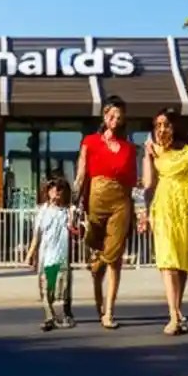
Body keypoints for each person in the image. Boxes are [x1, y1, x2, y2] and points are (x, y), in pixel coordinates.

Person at [74, 94, 138, 330]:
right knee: (99, 254)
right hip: (95, 200)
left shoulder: (129, 148)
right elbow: (81, 175)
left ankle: (109, 311)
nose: (115, 119)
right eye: (111, 114)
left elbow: (132, 183)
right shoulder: (90, 142)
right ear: (104, 115)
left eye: (119, 116)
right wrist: (74, 203)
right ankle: (98, 297)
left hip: (120, 202)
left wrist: (136, 212)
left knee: (116, 258)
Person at [144, 107, 188, 336]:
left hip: (186, 208)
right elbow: (148, 183)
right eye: (158, 125)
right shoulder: (154, 150)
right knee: (167, 260)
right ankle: (173, 315)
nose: (162, 129)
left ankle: (178, 309)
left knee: (181, 263)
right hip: (163, 208)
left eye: (166, 125)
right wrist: (147, 155)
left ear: (175, 127)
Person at [25, 178, 76, 331]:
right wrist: (30, 255)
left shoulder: (68, 211)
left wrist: (73, 216)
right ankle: (49, 318)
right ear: (48, 192)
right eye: (53, 190)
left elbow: (75, 230)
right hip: (46, 256)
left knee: (62, 289)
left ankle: (65, 315)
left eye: (59, 190)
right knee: (46, 289)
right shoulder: (42, 211)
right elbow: (37, 236)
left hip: (62, 256)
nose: (56, 193)